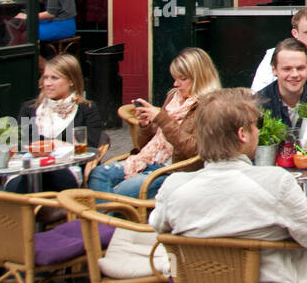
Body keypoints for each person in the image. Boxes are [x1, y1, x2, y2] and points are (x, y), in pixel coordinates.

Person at [149, 88, 307, 283]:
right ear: (242, 134)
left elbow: (158, 226)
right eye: (256, 125)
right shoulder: (276, 182)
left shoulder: (173, 186)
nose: (259, 131)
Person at [88, 47, 221, 199]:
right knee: (98, 174)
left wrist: (163, 120)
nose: (175, 84)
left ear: (201, 77)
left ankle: (106, 219)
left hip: (173, 171)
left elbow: (198, 151)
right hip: (149, 161)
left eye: (182, 79)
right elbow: (143, 146)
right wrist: (145, 126)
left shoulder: (211, 106)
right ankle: (110, 219)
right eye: (175, 78)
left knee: (118, 191)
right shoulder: (173, 98)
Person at [5, 54, 106, 195]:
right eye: (45, 77)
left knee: (43, 172)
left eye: (54, 78)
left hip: (66, 172)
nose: (47, 83)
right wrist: (60, 145)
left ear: (71, 81)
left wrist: (50, 146)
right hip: (26, 172)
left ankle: (18, 209)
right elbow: (21, 144)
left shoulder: (86, 109)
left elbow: (89, 148)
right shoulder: (29, 109)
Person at [254, 37, 307, 129]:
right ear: (274, 70)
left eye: (300, 68)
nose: (294, 74)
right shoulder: (260, 104)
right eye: (287, 69)